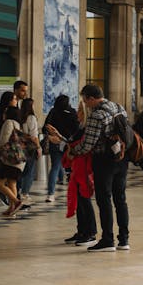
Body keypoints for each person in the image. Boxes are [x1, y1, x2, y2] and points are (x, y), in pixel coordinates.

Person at [50, 84, 132, 252]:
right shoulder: (118, 107)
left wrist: (73, 151)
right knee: (120, 199)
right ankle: (124, 240)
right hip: (122, 158)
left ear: (91, 98)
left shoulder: (97, 114)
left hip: (104, 160)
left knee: (104, 200)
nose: (85, 105)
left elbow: (88, 144)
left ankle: (108, 240)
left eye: (85, 101)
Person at [62, 100, 97, 246]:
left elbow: (81, 147)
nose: (77, 113)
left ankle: (90, 232)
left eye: (80, 111)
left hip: (84, 169)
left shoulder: (87, 129)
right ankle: (82, 231)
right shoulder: (80, 128)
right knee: (80, 200)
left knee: (85, 200)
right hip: (76, 168)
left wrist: (71, 151)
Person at [43, 94, 78, 203]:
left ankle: (50, 194)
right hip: (68, 143)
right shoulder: (72, 112)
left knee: (55, 167)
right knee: (72, 169)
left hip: (55, 142)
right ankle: (74, 193)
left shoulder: (53, 112)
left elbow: (46, 126)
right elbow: (76, 129)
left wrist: (50, 136)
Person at [0, 103, 26, 216]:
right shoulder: (18, 124)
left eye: (5, 112)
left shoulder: (8, 122)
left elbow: (4, 140)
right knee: (12, 183)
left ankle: (16, 202)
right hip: (18, 160)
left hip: (9, 159)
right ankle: (12, 209)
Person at [17, 97, 41, 201]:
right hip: (30, 147)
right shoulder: (31, 118)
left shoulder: (19, 116)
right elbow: (34, 135)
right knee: (29, 170)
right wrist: (39, 147)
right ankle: (25, 192)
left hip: (21, 145)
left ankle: (17, 190)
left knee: (21, 169)